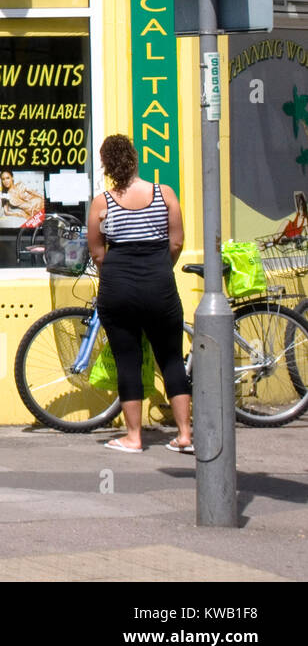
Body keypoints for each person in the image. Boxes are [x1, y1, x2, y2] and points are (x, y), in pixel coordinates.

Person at [85, 134, 192, 453]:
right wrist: (159, 269)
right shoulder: (164, 194)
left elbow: (97, 252)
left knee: (127, 360)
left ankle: (133, 437)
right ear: (134, 159)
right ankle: (185, 435)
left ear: (106, 165)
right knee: (171, 357)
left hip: (118, 288)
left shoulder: (102, 202)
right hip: (159, 285)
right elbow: (176, 242)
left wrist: (115, 277)